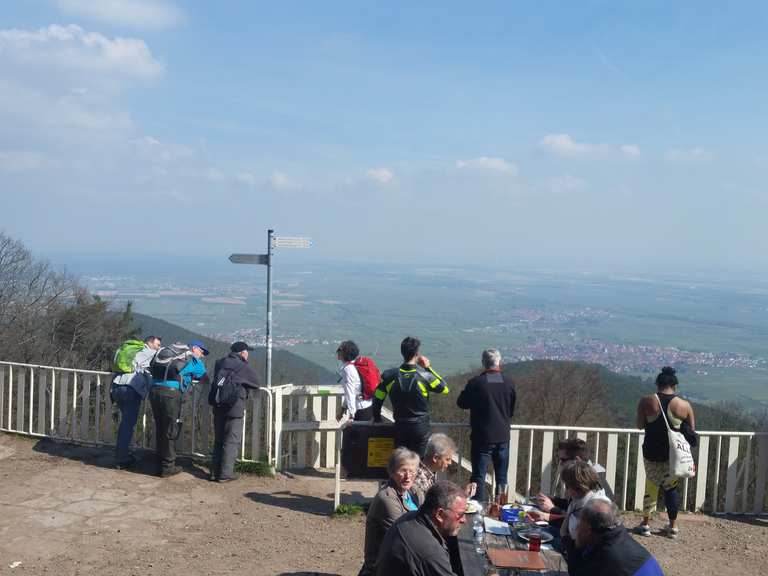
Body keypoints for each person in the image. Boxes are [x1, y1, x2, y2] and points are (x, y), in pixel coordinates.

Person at [635, 366, 696, 539]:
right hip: (673, 455)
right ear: (675, 385)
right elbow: (691, 431)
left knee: (651, 486)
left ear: (657, 384)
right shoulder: (684, 405)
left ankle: (645, 524)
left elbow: (639, 425)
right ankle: (673, 527)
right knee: (671, 489)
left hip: (651, 452)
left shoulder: (646, 401)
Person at [372, 336, 449, 459]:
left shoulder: (389, 376)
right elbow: (444, 388)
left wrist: (377, 417)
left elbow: (378, 397)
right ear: (417, 354)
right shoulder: (425, 376)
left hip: (400, 426)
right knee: (418, 463)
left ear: (402, 352)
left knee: (401, 461)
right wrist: (428, 367)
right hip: (420, 427)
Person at [456, 348, 515, 503]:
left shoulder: (476, 383)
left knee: (478, 476)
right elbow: (511, 410)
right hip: (503, 436)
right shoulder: (509, 382)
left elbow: (461, 403)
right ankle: (501, 508)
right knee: (502, 478)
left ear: (483, 363)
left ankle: (479, 508)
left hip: (482, 436)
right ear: (499, 362)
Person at [375, 481, 467, 576]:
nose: (464, 520)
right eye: (460, 514)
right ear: (439, 514)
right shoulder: (429, 552)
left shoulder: (410, 517)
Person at [359, 447, 423, 576]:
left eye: (412, 471)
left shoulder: (414, 492)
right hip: (385, 567)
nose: (408, 476)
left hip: (407, 558)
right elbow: (404, 536)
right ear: (392, 472)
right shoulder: (386, 498)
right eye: (403, 471)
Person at [149, 339, 208, 477]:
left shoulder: (168, 353)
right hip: (171, 394)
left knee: (160, 427)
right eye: (202, 351)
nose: (202, 355)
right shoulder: (192, 359)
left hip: (154, 391)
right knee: (171, 429)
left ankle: (159, 463)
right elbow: (204, 377)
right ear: (194, 348)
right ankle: (168, 466)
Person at [568, 499, 664, 576]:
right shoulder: (620, 536)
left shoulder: (605, 554)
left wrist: (577, 544)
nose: (578, 526)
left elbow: (576, 572)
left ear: (588, 528)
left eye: (581, 522)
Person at [210, 341, 261, 482]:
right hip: (234, 408)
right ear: (242, 353)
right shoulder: (242, 366)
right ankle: (225, 474)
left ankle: (214, 472)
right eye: (247, 351)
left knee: (218, 440)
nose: (248, 354)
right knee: (231, 441)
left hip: (218, 405)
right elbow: (256, 382)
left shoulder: (219, 362)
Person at [111, 335, 162, 469]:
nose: (159, 348)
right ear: (149, 343)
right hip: (131, 389)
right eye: (157, 345)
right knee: (128, 425)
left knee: (125, 423)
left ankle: (123, 452)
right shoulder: (149, 352)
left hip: (116, 387)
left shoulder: (131, 350)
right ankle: (122, 459)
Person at [560, 460, 611, 546]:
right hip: (571, 542)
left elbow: (582, 543)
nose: (566, 489)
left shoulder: (598, 506)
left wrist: (566, 540)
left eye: (567, 486)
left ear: (577, 486)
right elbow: (563, 529)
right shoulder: (577, 499)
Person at [336, 340, 373, 422]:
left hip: (360, 409)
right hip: (367, 405)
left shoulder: (348, 369)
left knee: (356, 430)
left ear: (345, 354)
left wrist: (352, 414)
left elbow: (350, 392)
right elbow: (351, 390)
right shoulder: (354, 365)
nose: (338, 351)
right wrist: (343, 408)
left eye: (340, 350)